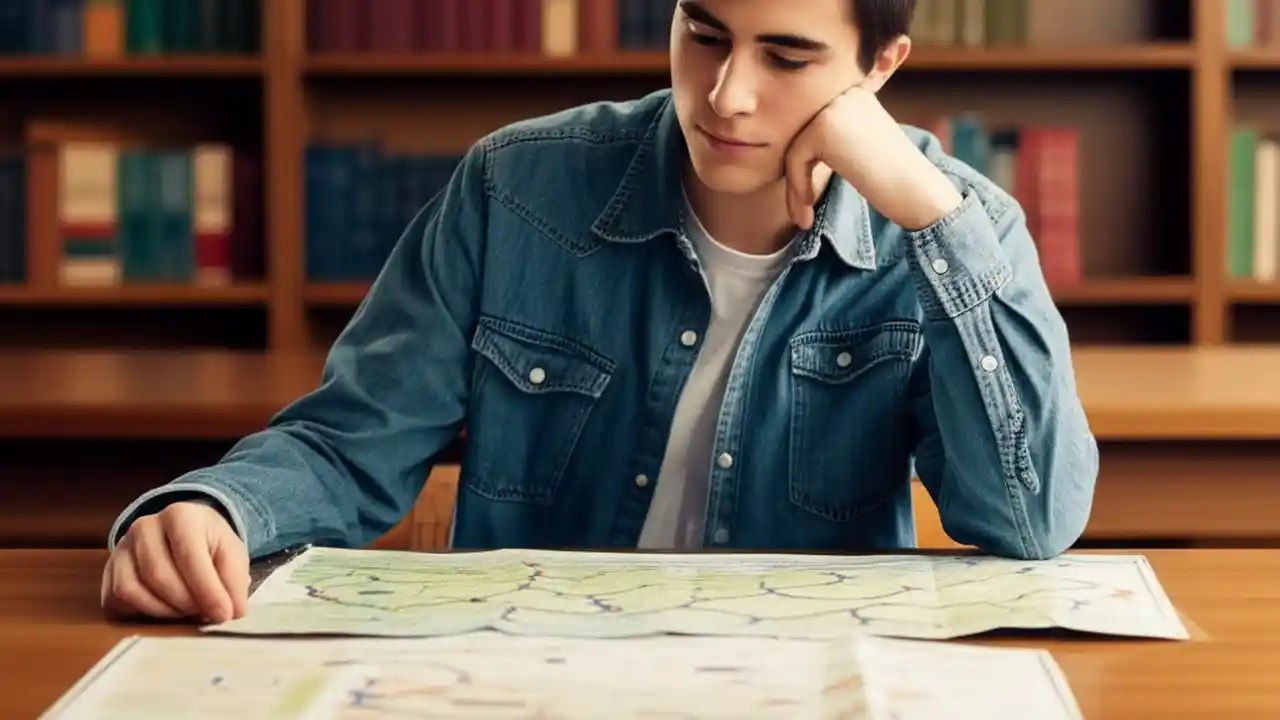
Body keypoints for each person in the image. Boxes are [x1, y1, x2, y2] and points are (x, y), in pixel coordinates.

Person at [100, 0, 1098, 625]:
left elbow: (1022, 522)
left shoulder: (953, 228)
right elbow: (352, 445)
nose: (725, 94)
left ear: (877, 68)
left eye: (785, 57)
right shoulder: (518, 186)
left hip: (805, 683)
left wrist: (921, 208)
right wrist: (214, 508)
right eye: (701, 32)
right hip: (524, 676)